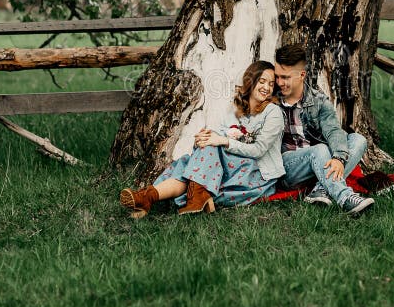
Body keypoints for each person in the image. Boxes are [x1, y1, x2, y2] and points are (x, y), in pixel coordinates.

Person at [119, 61, 285, 218]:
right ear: (251, 81)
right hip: (231, 168)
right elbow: (217, 137)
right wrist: (201, 139)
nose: (267, 87)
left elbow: (259, 150)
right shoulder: (236, 110)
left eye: (271, 84)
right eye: (262, 81)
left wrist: (223, 141)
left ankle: (150, 196)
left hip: (255, 173)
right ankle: (175, 197)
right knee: (207, 140)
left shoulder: (272, 112)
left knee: (190, 165)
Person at [274, 44, 374, 215]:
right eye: (277, 77)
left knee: (358, 140)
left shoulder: (319, 101)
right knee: (319, 149)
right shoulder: (271, 100)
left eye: (285, 77)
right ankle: (345, 198)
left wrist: (338, 158)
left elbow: (333, 131)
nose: (279, 83)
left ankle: (321, 189)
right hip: (288, 169)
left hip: (320, 163)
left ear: (302, 75)